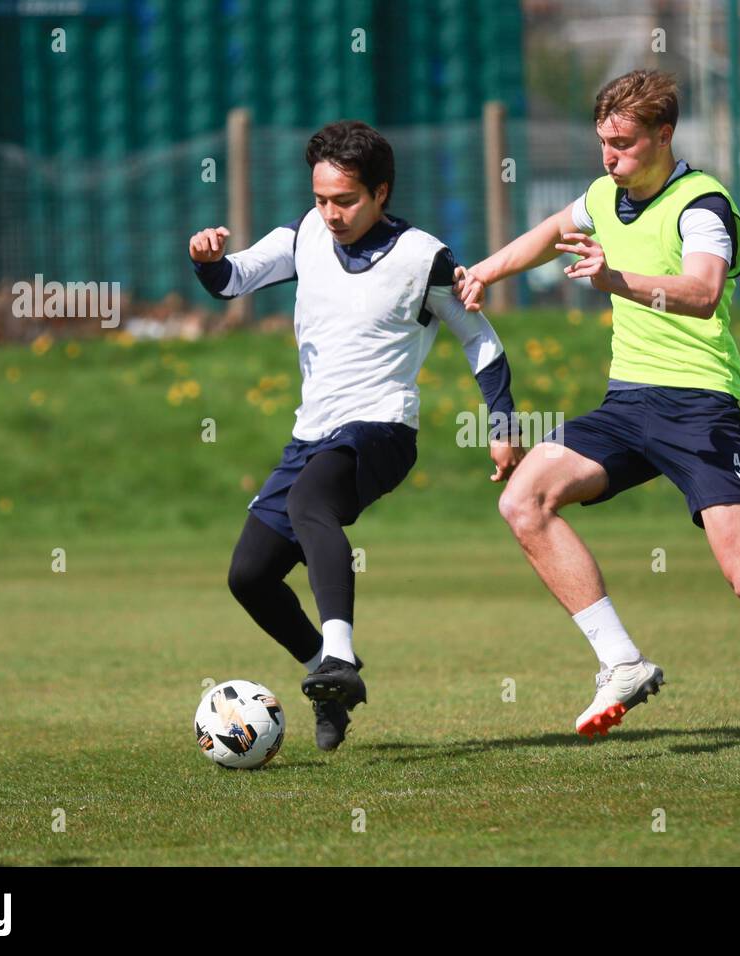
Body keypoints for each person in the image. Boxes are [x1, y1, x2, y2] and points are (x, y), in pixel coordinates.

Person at [455, 70, 740, 751]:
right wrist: (484, 272)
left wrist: (615, 281)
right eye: (603, 142)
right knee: (525, 500)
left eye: (625, 143)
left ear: (664, 136)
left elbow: (700, 292)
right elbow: (550, 231)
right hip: (627, 404)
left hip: (699, 409)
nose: (610, 157)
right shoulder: (605, 196)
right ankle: (622, 662)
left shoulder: (702, 204)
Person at [189, 120, 522, 751]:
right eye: (321, 198)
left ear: (381, 193)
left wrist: (501, 423)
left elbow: (482, 341)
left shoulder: (425, 257)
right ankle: (327, 677)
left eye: (345, 200)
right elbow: (232, 279)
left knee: (311, 503)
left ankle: (340, 655)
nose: (330, 213)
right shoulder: (305, 234)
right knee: (249, 576)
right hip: (311, 434)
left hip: (383, 427)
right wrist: (205, 259)